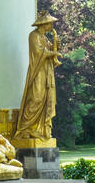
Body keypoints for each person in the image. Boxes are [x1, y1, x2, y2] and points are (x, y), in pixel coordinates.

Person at [13, 11, 60, 141]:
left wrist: (56, 44)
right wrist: (52, 52)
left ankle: (40, 129)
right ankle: (24, 127)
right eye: (50, 23)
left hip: (46, 70)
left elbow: (50, 51)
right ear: (44, 24)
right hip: (38, 70)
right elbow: (38, 52)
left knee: (46, 98)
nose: (52, 25)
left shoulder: (45, 37)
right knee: (36, 97)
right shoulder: (33, 35)